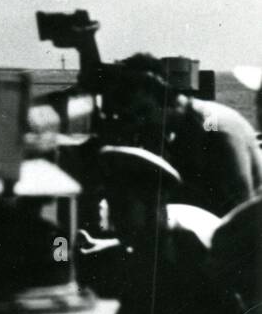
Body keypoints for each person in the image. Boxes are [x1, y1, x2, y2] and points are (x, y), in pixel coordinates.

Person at [78, 146, 238, 314]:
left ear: (151, 204)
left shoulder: (186, 242)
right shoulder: (154, 234)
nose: (117, 219)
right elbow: (147, 309)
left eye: (124, 207)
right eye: (115, 206)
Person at [101, 53, 262, 216]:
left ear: (164, 98)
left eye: (143, 112)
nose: (139, 124)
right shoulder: (174, 130)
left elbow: (241, 208)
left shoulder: (212, 124)